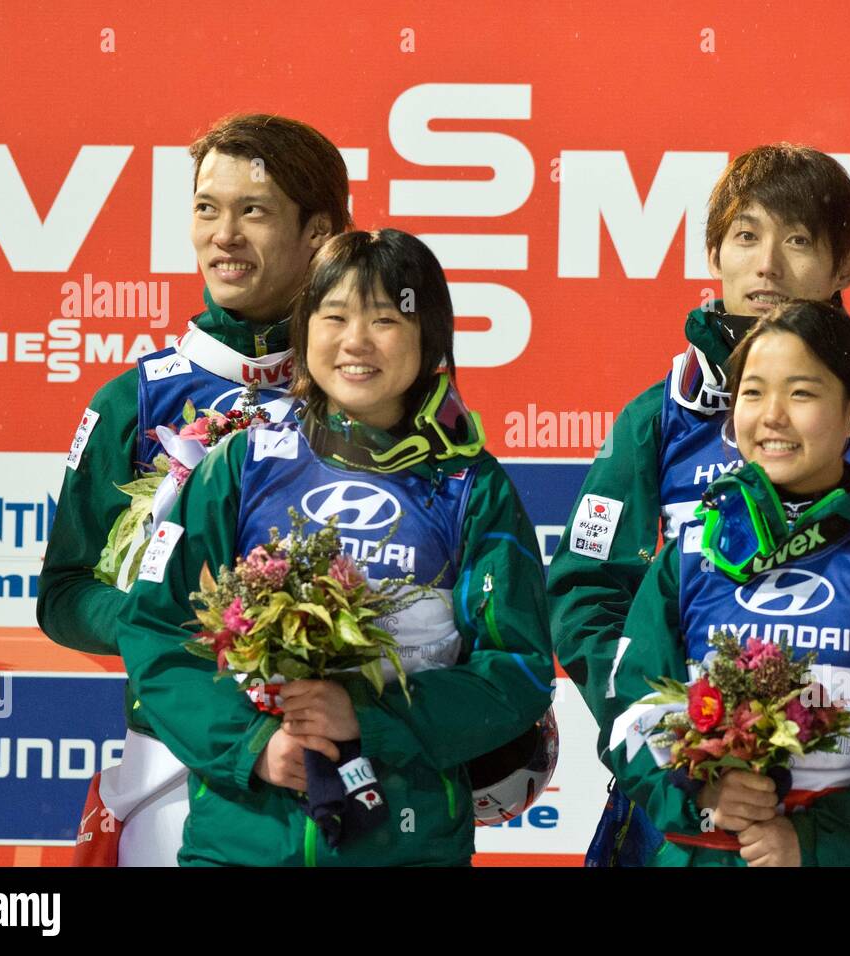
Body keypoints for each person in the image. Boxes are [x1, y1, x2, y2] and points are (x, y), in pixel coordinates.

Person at [545, 143, 850, 864]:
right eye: (747, 237)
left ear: (845, 266)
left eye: (798, 241)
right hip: (683, 798)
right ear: (714, 253)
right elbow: (584, 591)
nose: (768, 268)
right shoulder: (656, 415)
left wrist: (821, 738)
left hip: (845, 807)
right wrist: (692, 743)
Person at [116, 229, 555, 866]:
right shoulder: (241, 464)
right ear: (305, 328)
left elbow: (515, 669)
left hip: (408, 847)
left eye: (384, 319)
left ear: (428, 336)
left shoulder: (471, 487)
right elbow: (156, 630)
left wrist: (366, 721)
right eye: (334, 316)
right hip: (242, 845)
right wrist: (254, 746)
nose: (355, 342)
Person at [37, 113, 351, 865]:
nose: (224, 235)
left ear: (318, 232)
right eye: (207, 208)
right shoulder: (134, 402)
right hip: (174, 765)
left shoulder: (367, 399)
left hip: (337, 765)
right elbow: (64, 594)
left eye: (253, 211)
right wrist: (185, 624)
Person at [601, 300, 850, 866]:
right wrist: (703, 794)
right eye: (752, 393)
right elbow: (632, 709)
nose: (771, 415)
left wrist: (811, 842)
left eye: (800, 393)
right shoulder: (690, 556)